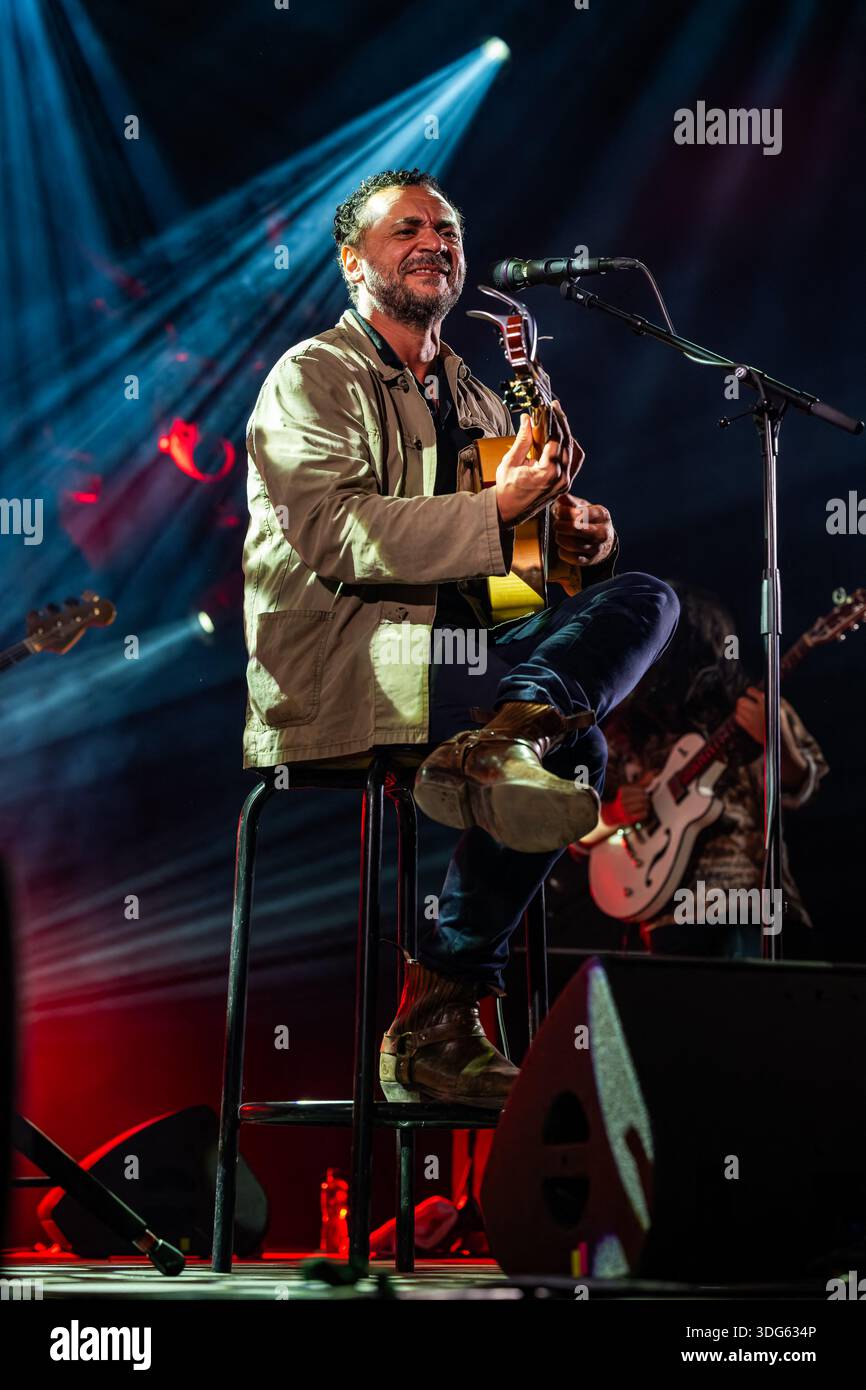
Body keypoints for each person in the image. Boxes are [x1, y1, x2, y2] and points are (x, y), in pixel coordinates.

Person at [242, 168, 678, 1106]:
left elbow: (510, 580)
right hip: (355, 663)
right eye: (405, 229)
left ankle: (506, 743)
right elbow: (339, 533)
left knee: (645, 597)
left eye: (445, 227)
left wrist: (569, 545)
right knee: (583, 745)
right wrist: (495, 507)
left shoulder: (482, 398)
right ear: (354, 263)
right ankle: (441, 999)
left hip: (464, 656)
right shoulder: (311, 377)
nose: (432, 240)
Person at [573, 581, 827, 957]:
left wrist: (776, 741)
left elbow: (805, 785)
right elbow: (576, 829)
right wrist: (614, 813)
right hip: (670, 913)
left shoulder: (758, 706)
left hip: (756, 901)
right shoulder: (622, 735)